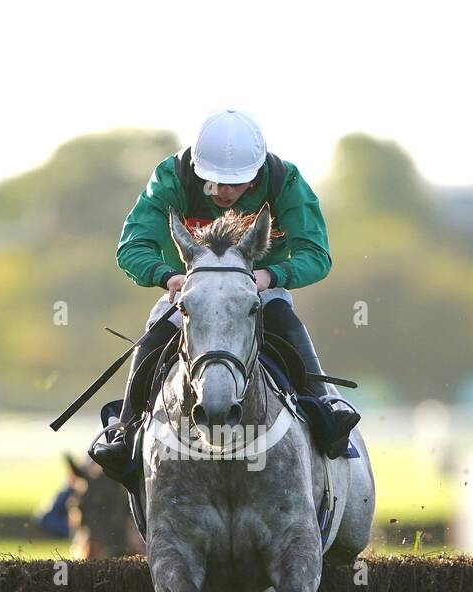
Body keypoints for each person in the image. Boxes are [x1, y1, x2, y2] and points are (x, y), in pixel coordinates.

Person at [89, 109, 359, 479]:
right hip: (191, 288)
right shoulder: (171, 177)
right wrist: (167, 276)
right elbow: (132, 246)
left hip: (258, 290)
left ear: (257, 173)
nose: (224, 192)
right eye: (214, 181)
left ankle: (327, 408)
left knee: (282, 316)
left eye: (236, 183)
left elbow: (316, 254)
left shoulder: (284, 179)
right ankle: (126, 429)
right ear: (198, 168)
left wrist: (271, 275)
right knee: (155, 329)